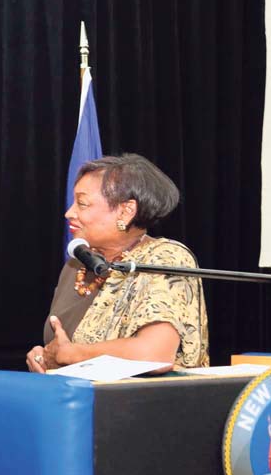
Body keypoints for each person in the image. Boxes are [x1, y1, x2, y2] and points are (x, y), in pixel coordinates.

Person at [26, 153, 209, 374]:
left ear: (126, 211)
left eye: (82, 204)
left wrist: (71, 354)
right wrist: (43, 356)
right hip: (75, 400)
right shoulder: (77, 265)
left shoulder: (165, 258)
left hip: (143, 404)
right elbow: (59, 346)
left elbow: (154, 355)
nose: (69, 213)